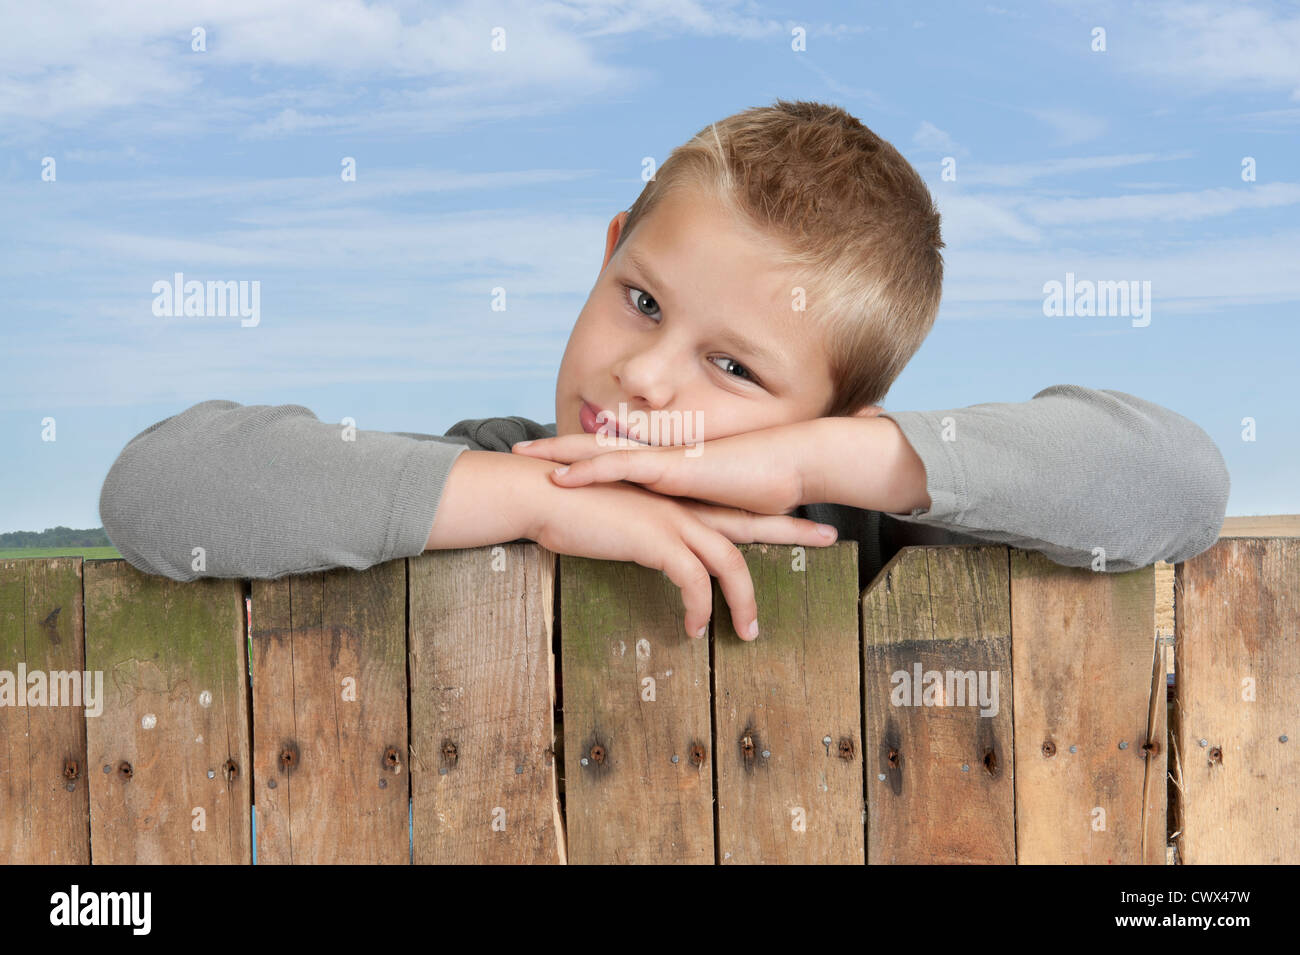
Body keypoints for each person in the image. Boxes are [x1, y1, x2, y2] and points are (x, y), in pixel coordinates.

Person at [98, 100, 1230, 643]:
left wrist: (814, 461)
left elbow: (1178, 482)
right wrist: (533, 498)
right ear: (603, 255)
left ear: (836, 416)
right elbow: (154, 491)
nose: (642, 375)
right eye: (640, 300)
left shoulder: (871, 523)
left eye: (732, 365)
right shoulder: (500, 470)